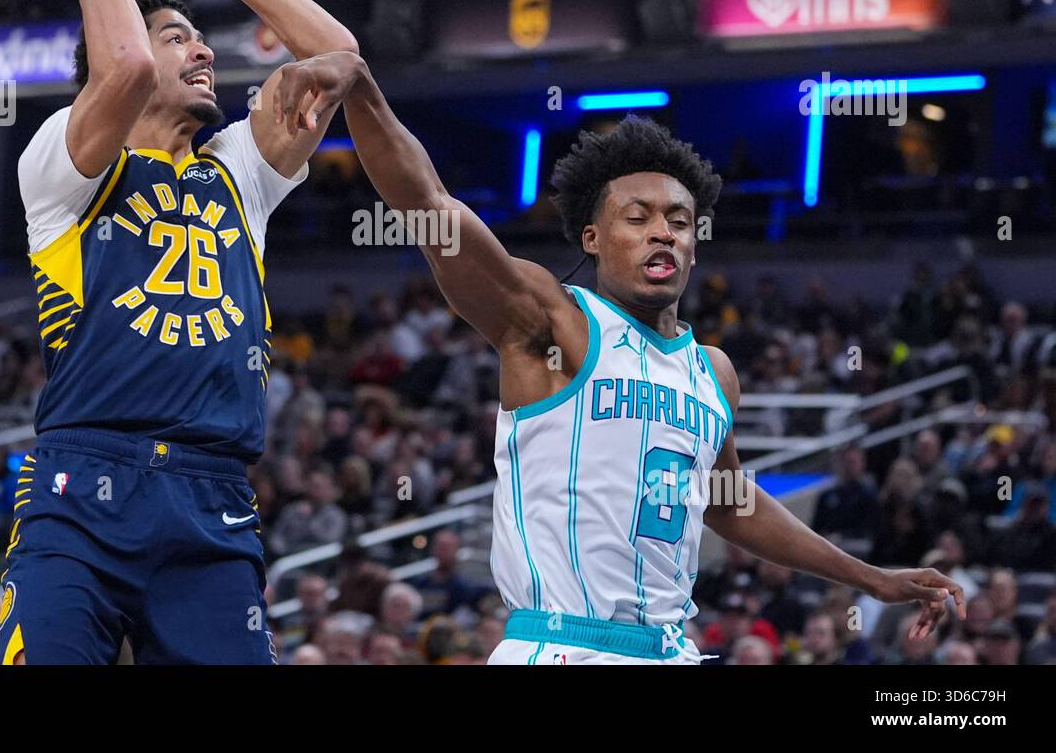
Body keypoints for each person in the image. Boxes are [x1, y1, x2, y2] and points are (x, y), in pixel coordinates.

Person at [263, 50, 967, 665]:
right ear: (594, 237)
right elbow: (427, 203)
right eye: (638, 219)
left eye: (679, 222)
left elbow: (726, 502)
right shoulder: (551, 320)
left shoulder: (712, 371)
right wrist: (363, 90)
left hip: (673, 648)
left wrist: (868, 577)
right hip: (564, 644)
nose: (663, 233)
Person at [0, 0, 356, 665]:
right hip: (81, 486)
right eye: (178, 37)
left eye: (202, 40)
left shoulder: (239, 173)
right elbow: (119, 67)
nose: (202, 53)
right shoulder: (61, 163)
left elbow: (337, 58)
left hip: (214, 498)